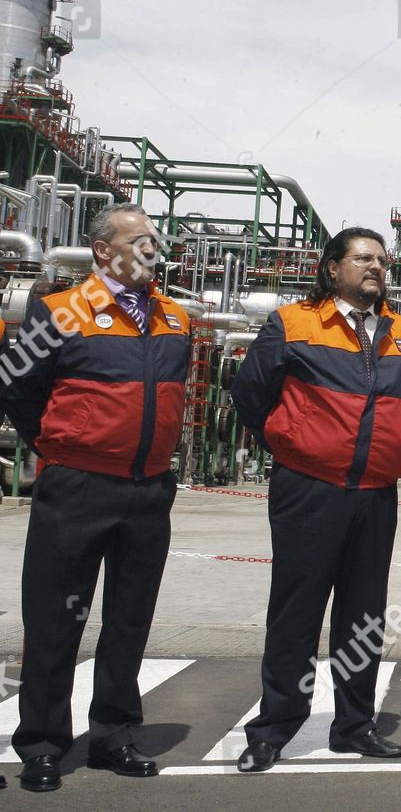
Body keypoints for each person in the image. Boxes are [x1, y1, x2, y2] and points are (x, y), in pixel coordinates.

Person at [0, 203, 190, 792]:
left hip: (149, 489)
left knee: (129, 620)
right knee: (56, 621)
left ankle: (113, 735)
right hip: (77, 487)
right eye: (139, 242)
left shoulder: (175, 318)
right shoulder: (60, 311)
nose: (152, 250)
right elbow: (18, 389)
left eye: (154, 241)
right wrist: (67, 446)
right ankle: (42, 744)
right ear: (103, 252)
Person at [230, 227, 401, 772]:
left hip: (375, 494)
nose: (375, 267)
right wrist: (291, 444)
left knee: (363, 617)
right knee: (296, 612)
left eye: (382, 261)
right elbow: (250, 394)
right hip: (309, 490)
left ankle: (354, 726)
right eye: (363, 258)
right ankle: (273, 728)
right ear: (332, 267)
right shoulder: (293, 323)